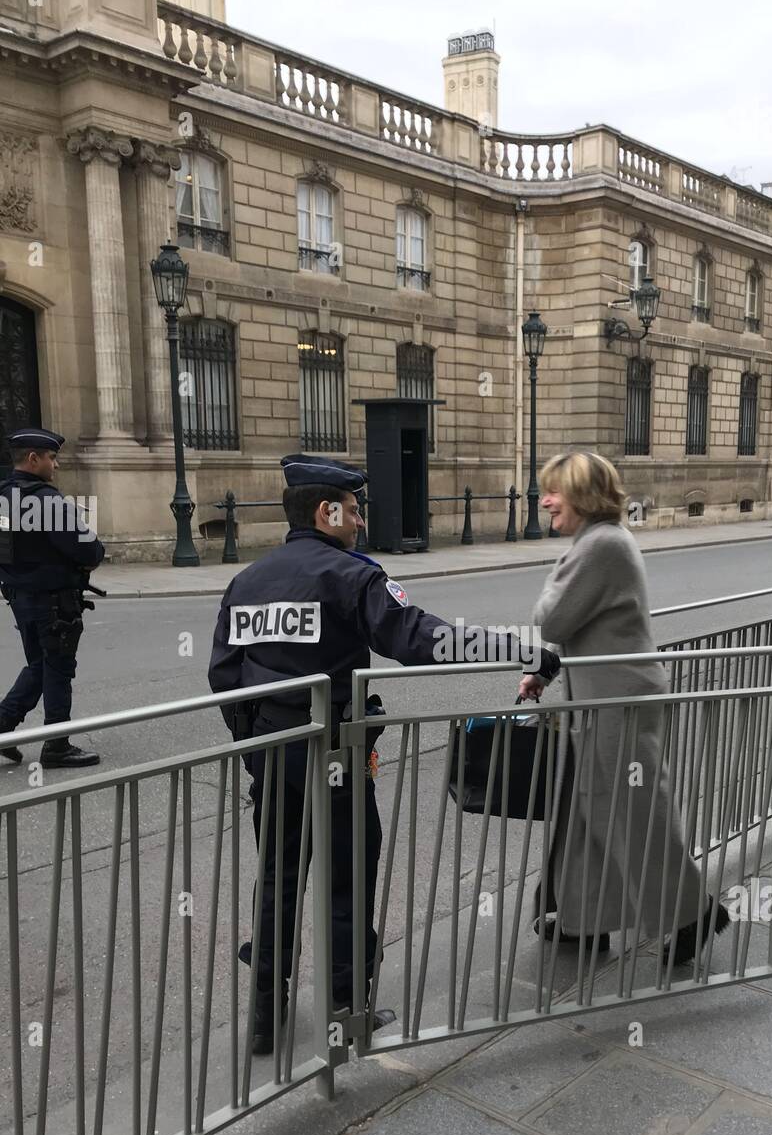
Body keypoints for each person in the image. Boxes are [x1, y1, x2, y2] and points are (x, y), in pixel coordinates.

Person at [208, 456, 559, 1054]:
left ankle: (266, 1013)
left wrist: (257, 751)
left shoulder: (248, 581)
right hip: (335, 754)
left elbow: (224, 676)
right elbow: (422, 639)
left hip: (273, 752)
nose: (361, 520)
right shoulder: (352, 576)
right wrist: (523, 650)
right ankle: (346, 1013)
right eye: (354, 509)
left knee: (278, 877)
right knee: (347, 880)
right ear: (327, 512)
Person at [518, 449, 729, 965]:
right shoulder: (598, 540)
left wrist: (552, 587)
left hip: (620, 703)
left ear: (583, 495)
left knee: (632, 814)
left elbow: (551, 619)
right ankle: (584, 920)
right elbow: (586, 626)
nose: (544, 500)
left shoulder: (601, 544)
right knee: (589, 813)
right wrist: (545, 671)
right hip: (604, 700)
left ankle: (694, 911)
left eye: (554, 491)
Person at [0, 428, 104, 769]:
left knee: (39, 665)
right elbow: (90, 550)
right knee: (58, 668)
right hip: (54, 602)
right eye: (52, 458)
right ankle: (57, 744)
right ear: (34, 459)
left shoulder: (3, 497)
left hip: (19, 597)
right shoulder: (48, 502)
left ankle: (3, 727)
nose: (56, 465)